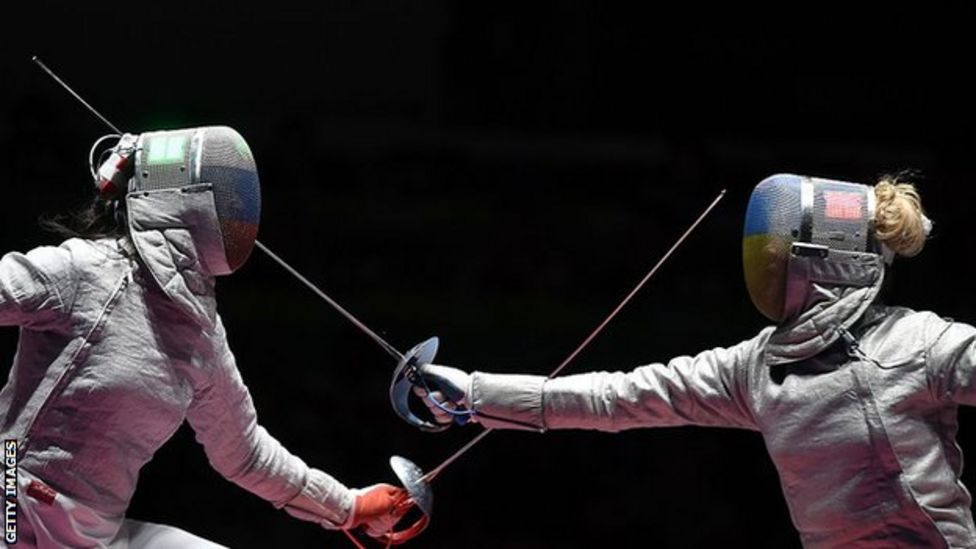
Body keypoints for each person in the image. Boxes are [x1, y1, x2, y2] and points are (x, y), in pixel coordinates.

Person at [415, 173, 976, 548]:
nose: (763, 263)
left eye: (774, 250)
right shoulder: (755, 369)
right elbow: (618, 397)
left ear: (822, 261)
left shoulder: (919, 344)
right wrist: (476, 393)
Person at [0, 127, 411, 547]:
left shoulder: (199, 332)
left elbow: (246, 453)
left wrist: (348, 506)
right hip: (12, 512)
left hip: (96, 533)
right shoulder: (83, 272)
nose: (239, 212)